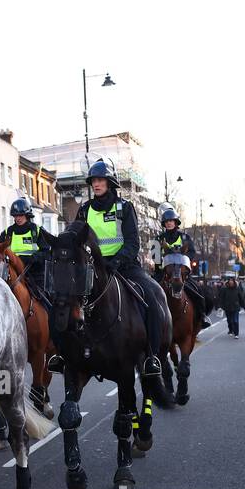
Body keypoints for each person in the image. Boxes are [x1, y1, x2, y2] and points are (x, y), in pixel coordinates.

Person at [74, 158, 166, 376]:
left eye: (100, 180)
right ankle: (62, 354)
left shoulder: (124, 207)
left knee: (151, 298)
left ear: (110, 182)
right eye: (93, 181)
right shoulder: (85, 210)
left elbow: (133, 242)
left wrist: (116, 261)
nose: (96, 184)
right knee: (63, 299)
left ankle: (152, 357)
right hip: (93, 268)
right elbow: (77, 238)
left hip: (123, 266)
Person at [157, 207, 212, 329]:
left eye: (171, 221)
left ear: (176, 222)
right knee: (150, 291)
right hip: (163, 272)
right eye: (167, 221)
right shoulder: (158, 239)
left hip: (181, 273)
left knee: (197, 291)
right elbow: (155, 257)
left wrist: (182, 259)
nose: (169, 223)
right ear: (164, 224)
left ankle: (202, 316)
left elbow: (192, 253)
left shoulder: (184, 237)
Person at [0, 198, 57, 303]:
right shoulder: (7, 233)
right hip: (12, 273)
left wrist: (33, 258)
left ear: (27, 215)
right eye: (15, 216)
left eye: (20, 215)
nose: (18, 218)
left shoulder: (37, 231)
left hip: (34, 273)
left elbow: (47, 253)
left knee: (46, 300)